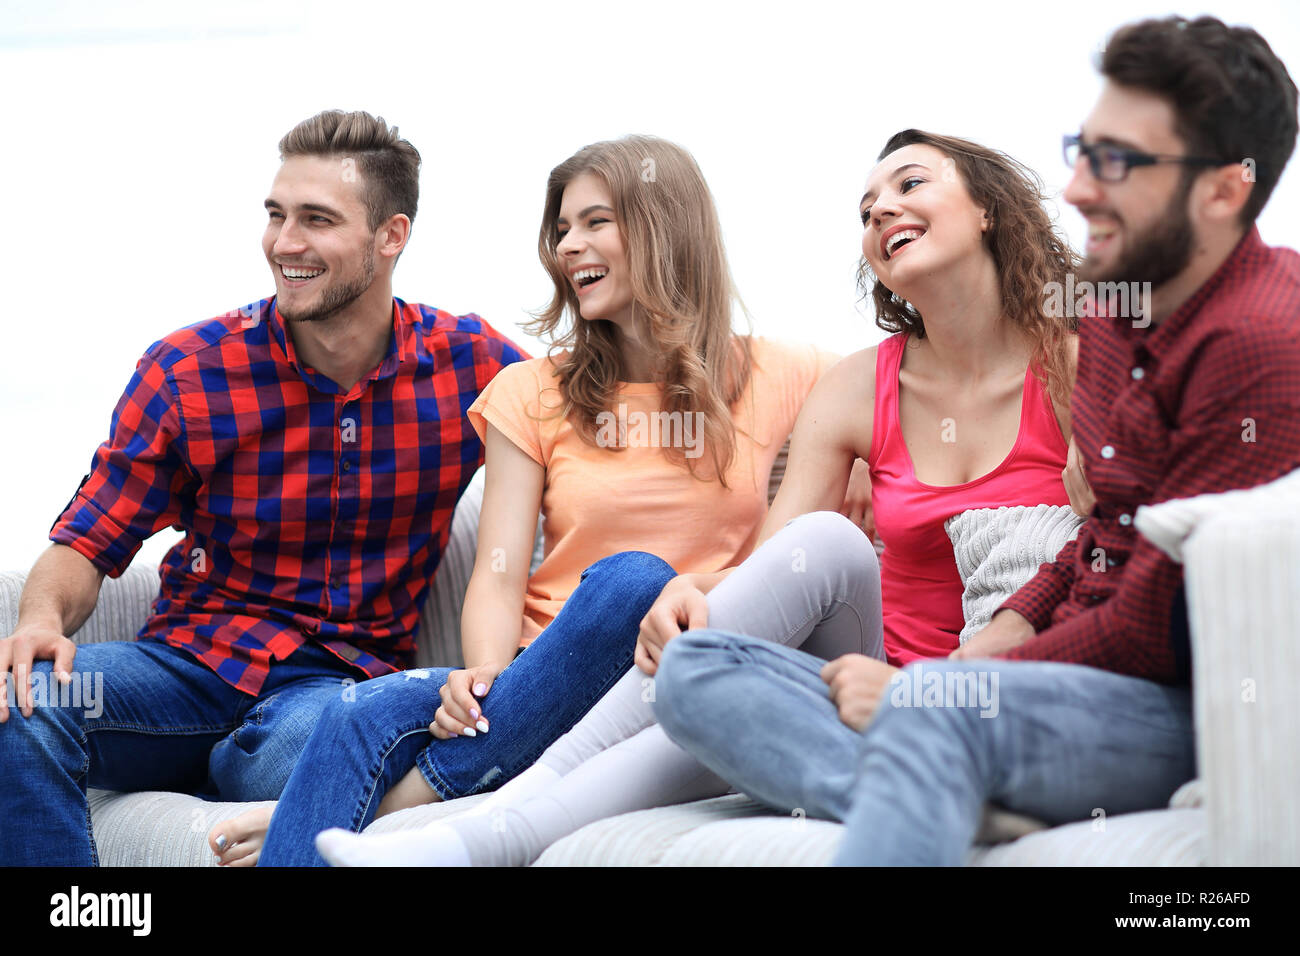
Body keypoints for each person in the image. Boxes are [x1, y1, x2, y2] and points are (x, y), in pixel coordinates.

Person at [314, 127, 1087, 867]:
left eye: (910, 185)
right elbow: (788, 556)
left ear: (987, 207)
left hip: (988, 685)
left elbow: (1120, 544)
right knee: (704, 612)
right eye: (864, 208)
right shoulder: (861, 385)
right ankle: (468, 818)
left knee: (685, 633)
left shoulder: (1086, 361)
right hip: (842, 676)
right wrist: (689, 595)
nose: (881, 209)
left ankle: (483, 831)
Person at [655, 14, 1300, 867]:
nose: (1075, 190)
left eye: (1117, 162)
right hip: (1028, 678)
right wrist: (1013, 619)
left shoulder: (1258, 340)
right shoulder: (1109, 317)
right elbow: (1101, 542)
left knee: (934, 714)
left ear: (1221, 191)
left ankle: (932, 762)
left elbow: (1153, 624)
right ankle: (948, 789)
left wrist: (950, 682)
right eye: (1083, 151)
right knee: (695, 673)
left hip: (1165, 702)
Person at [230, 134, 863, 866]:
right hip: (545, 672)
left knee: (637, 581)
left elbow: (892, 392)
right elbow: (499, 570)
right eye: (561, 229)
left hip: (676, 668)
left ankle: (395, 804)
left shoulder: (780, 372)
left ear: (664, 226)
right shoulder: (531, 391)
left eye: (595, 222)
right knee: (356, 710)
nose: (569, 246)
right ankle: (398, 797)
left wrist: (864, 466)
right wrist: (483, 677)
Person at [0, 110, 530, 866]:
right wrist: (40, 621)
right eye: (277, 216)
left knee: (369, 723)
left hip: (326, 700)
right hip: (185, 674)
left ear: (392, 236)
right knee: (29, 697)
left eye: (316, 220)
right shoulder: (190, 370)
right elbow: (86, 540)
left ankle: (251, 778)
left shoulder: (472, 365)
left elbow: (584, 441)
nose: (285, 243)